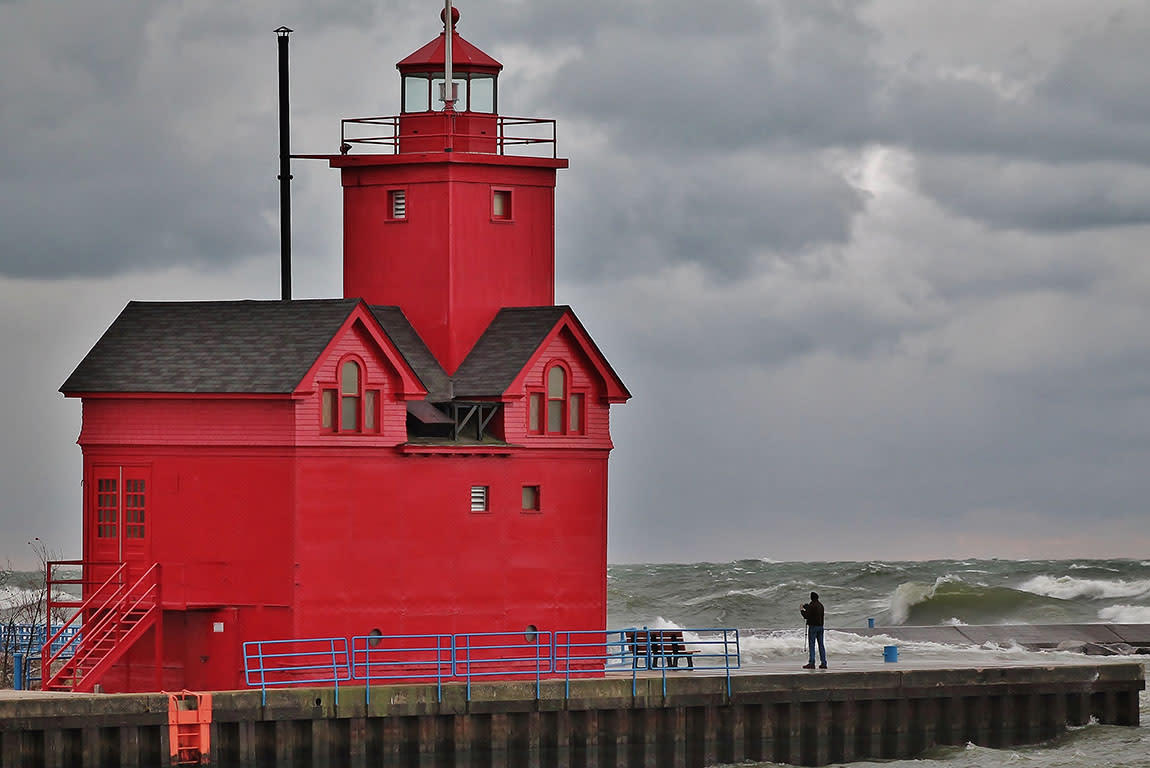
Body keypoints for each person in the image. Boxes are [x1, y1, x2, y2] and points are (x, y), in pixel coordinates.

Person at [801, 591, 827, 669]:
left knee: (812, 645)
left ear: (811, 598)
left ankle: (812, 662)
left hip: (813, 627)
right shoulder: (821, 605)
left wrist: (802, 610)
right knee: (821, 645)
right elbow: (812, 610)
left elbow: (806, 616)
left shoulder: (812, 606)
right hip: (821, 627)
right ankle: (824, 663)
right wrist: (807, 607)